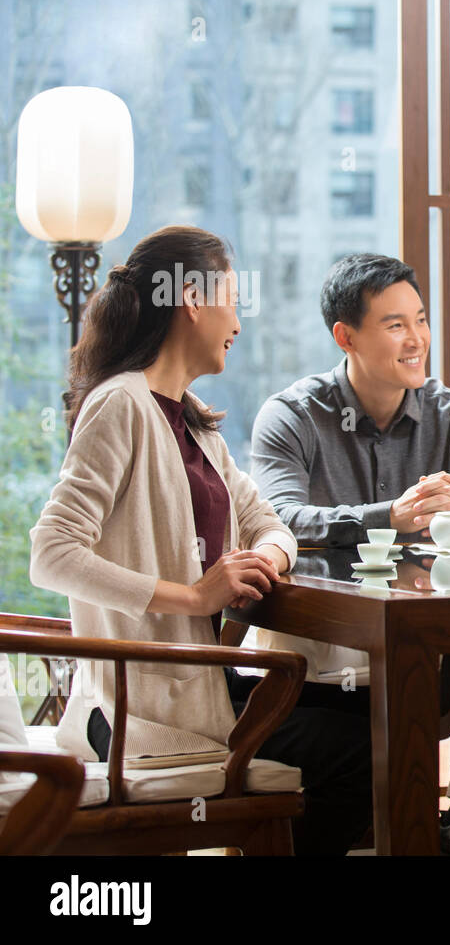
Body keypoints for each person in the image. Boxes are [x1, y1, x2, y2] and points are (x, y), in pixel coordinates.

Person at [29, 225, 371, 855]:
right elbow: (52, 553)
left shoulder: (194, 423)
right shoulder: (121, 404)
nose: (237, 323)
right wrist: (194, 596)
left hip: (198, 685)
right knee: (361, 749)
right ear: (191, 299)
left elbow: (269, 522)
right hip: (139, 707)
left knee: (376, 715)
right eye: (231, 303)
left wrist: (263, 557)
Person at [249, 253, 450, 856]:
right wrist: (391, 516)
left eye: (421, 320)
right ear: (346, 336)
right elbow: (278, 519)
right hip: (323, 636)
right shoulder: (293, 415)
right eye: (395, 324)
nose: (417, 339)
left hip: (433, 631)